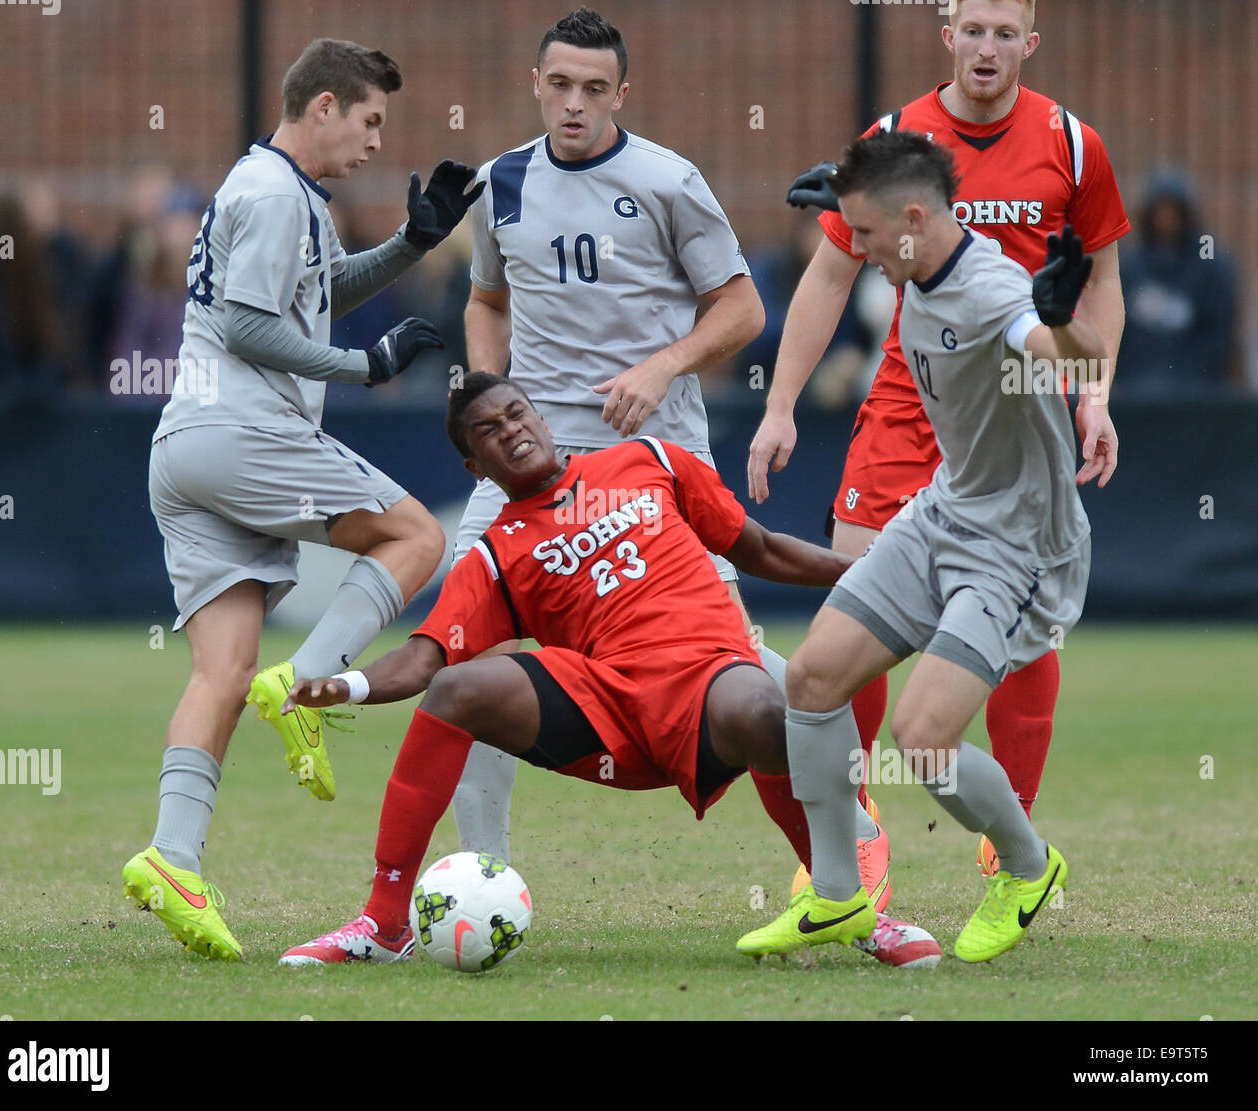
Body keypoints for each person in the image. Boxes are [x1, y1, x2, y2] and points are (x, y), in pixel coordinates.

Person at [275, 372, 941, 970]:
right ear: (476, 465)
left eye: (517, 414)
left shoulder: (649, 460)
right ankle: (385, 923)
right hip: (606, 706)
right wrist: (349, 683)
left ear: (541, 419)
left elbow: (760, 549)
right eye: (490, 431)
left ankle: (850, 908)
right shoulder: (496, 554)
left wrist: (868, 574)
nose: (511, 431)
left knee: (770, 715)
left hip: (706, 675)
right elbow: (423, 659)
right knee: (457, 687)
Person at [452, 8, 888, 908]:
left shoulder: (665, 180)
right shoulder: (501, 183)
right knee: (464, 662)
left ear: (622, 93)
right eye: (560, 85)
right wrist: (491, 403)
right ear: (536, 84)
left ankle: (848, 851)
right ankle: (473, 883)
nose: (575, 104)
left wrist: (661, 366)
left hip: (651, 455)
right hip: (535, 463)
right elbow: (487, 302)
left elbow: (741, 310)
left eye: (594, 89)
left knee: (732, 662)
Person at [747, 0, 1127, 890]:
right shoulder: (894, 140)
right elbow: (830, 271)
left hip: (1019, 387)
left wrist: (1094, 392)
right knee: (854, 598)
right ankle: (859, 827)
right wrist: (783, 405)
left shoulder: (1074, 145)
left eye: (1006, 33)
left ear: (1029, 44)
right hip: (910, 396)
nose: (987, 47)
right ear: (945, 34)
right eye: (973, 29)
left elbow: (1098, 285)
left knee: (1020, 631)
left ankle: (1012, 831)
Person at [122, 38, 484, 961]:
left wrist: (412, 244)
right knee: (413, 537)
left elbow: (309, 297)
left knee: (221, 671)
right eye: (369, 122)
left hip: (185, 448)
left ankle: (172, 857)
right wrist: (364, 367)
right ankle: (313, 681)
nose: (374, 144)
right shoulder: (280, 192)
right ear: (323, 106)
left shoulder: (270, 187)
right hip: (242, 431)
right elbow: (250, 326)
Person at [1116, 166, 1238, 397]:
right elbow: (1118, 331)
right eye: (1160, 210)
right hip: (1136, 391)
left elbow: (1219, 334)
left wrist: (1190, 378)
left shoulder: (1211, 267)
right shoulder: (1129, 267)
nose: (1167, 218)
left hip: (1197, 391)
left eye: (1173, 210)